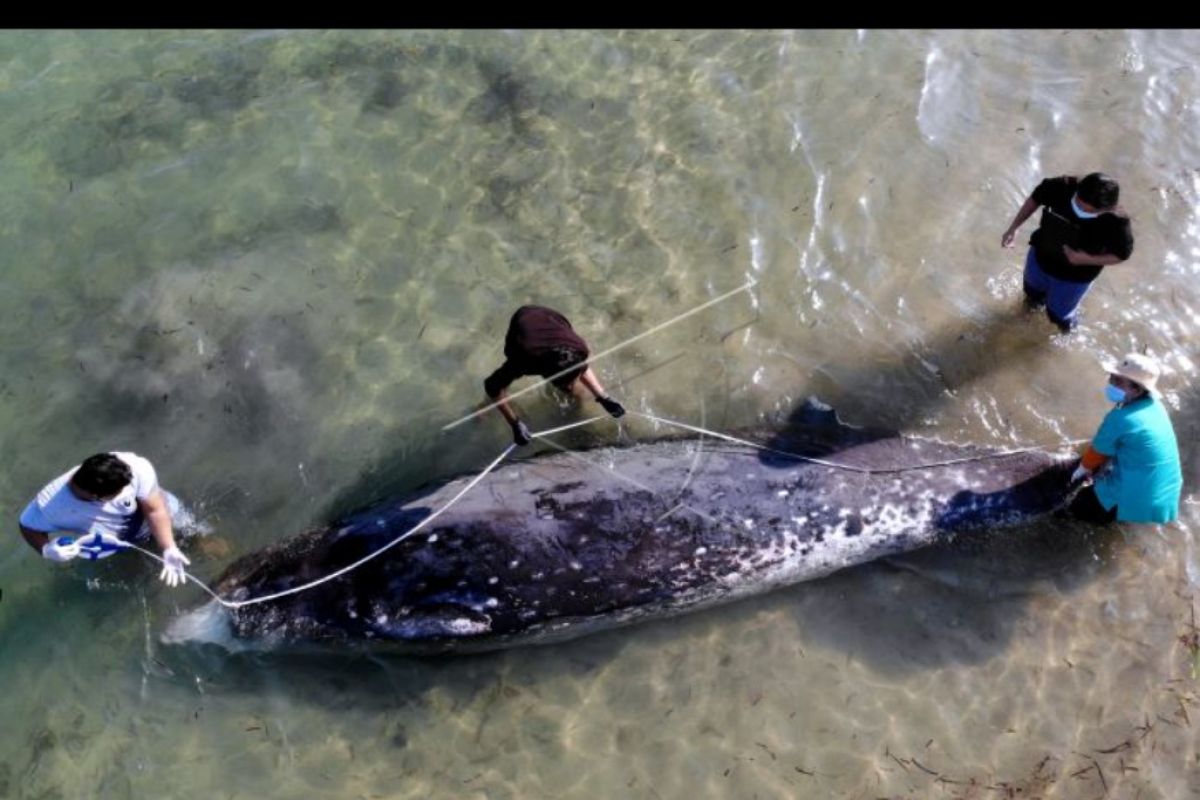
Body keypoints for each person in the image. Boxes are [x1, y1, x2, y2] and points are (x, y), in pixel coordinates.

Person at [18, 452, 192, 586]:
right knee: (145, 579)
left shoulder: (134, 467)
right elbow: (27, 526)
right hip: (122, 543)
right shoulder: (51, 505)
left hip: (167, 516)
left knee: (198, 539)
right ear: (96, 497)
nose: (129, 491)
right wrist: (46, 549)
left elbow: (155, 509)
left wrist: (168, 546)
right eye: (119, 493)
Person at [1001, 172, 1134, 332]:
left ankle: (1063, 340)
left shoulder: (1116, 222)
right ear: (1077, 191)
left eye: (1089, 211)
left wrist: (1084, 259)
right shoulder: (1062, 187)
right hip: (1039, 259)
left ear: (1106, 209)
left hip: (1073, 279)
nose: (1081, 210)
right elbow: (1036, 198)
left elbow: (1121, 255)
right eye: (1078, 204)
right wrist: (1014, 227)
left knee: (1058, 316)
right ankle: (1026, 318)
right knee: (1031, 297)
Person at [483, 305, 626, 446]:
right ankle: (488, 403)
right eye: (566, 383)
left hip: (552, 318)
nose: (570, 386)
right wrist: (515, 423)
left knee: (574, 391)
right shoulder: (523, 361)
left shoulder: (580, 349)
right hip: (523, 322)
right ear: (546, 374)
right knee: (498, 386)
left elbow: (582, 366)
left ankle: (573, 407)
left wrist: (603, 397)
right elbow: (490, 385)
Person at [1068, 353, 1181, 524]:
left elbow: (1094, 456)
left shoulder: (1121, 419)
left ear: (1138, 389)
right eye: (1112, 377)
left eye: (1119, 382)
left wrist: (1078, 473)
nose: (1112, 383)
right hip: (1165, 496)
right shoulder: (1156, 407)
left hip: (1133, 497)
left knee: (1070, 513)